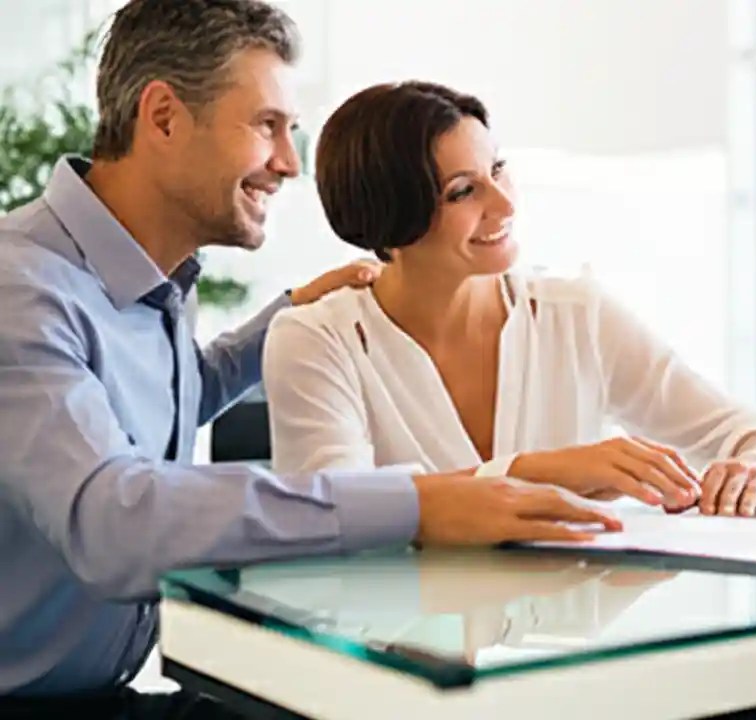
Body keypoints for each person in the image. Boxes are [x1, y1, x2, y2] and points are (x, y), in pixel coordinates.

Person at [0, 0, 618, 713]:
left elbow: (170, 395)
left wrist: (290, 313)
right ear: (164, 117)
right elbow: (114, 522)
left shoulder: (155, 281)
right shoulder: (20, 288)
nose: (291, 164)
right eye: (268, 126)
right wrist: (418, 503)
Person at [262, 81, 756, 518]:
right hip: (386, 644)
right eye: (463, 191)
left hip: (569, 643)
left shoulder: (576, 313)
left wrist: (755, 468)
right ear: (389, 217)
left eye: (498, 170)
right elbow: (333, 511)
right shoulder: (316, 338)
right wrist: (543, 470)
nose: (503, 204)